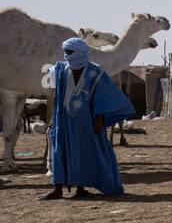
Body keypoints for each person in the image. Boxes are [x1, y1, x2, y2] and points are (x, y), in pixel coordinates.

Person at [41, 37, 136, 199]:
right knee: (60, 150)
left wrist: (100, 117)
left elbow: (105, 95)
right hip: (63, 119)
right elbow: (47, 83)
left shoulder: (94, 71)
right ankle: (57, 188)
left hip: (86, 121)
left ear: (79, 52)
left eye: (70, 52)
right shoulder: (59, 69)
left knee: (84, 152)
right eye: (65, 52)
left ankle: (80, 187)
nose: (66, 55)